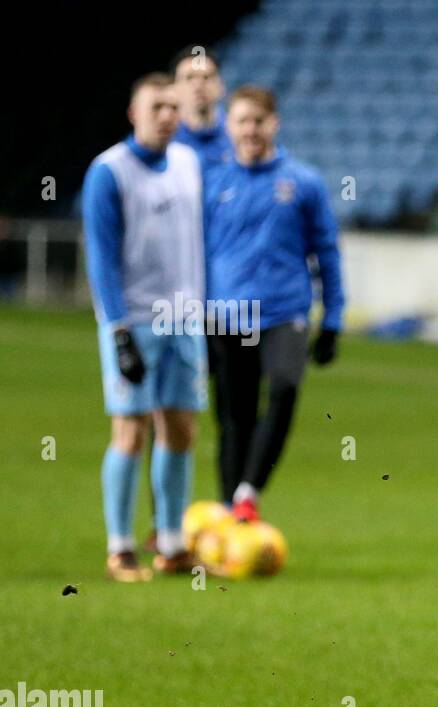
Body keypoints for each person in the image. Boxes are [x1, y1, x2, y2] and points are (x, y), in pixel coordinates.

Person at [83, 73, 206, 582]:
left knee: (180, 429)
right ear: (133, 113)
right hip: (133, 319)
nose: (167, 116)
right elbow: (102, 258)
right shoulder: (108, 171)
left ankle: (173, 544)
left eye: (174, 107)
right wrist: (116, 329)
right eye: (157, 106)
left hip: (185, 320)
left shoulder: (188, 162)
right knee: (130, 430)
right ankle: (120, 548)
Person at [204, 84, 345, 520]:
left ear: (274, 124)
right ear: (229, 125)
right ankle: (232, 511)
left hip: (285, 312)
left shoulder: (302, 182)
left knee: (284, 388)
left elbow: (327, 251)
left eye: (258, 121)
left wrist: (333, 317)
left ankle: (249, 491)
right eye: (242, 120)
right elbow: (199, 253)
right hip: (225, 315)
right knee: (234, 417)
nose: (250, 129)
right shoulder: (213, 182)